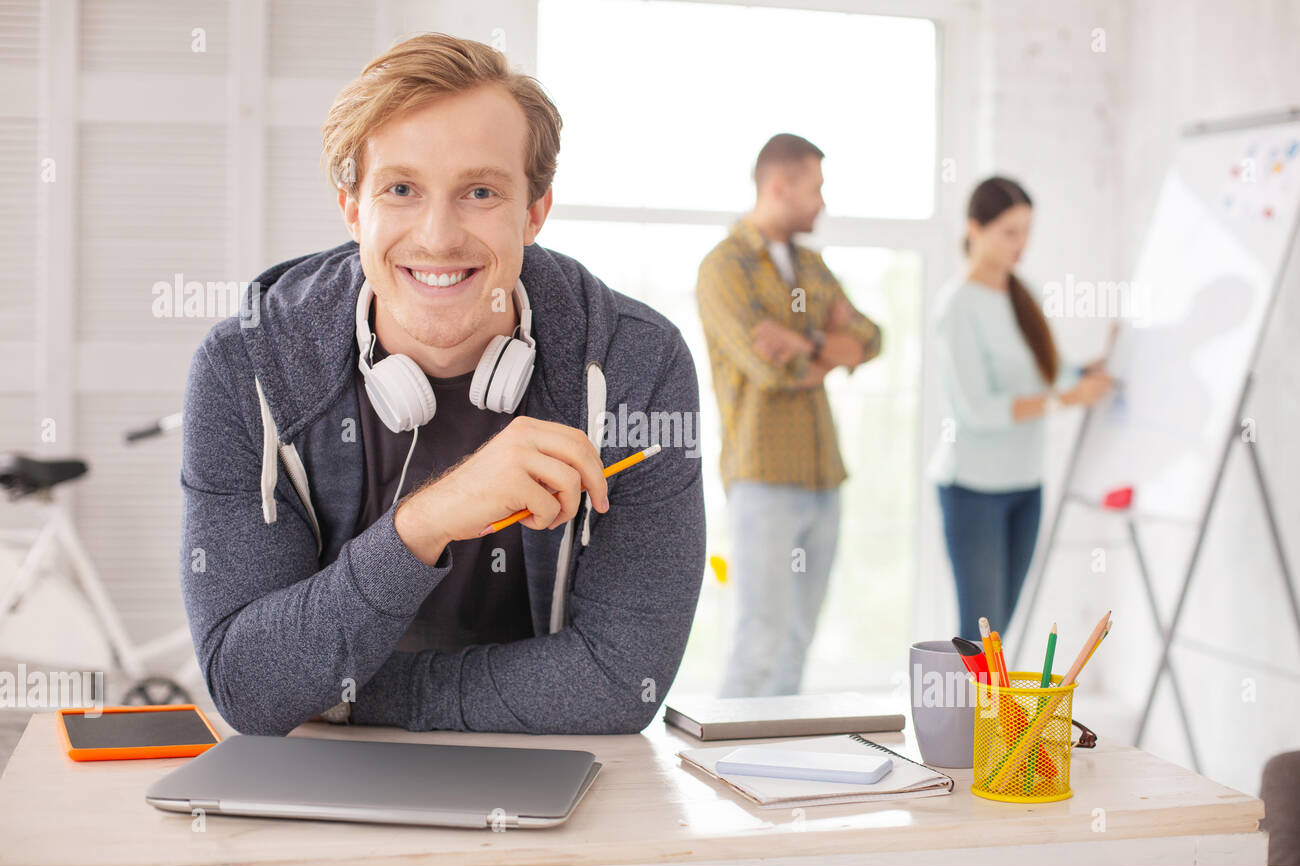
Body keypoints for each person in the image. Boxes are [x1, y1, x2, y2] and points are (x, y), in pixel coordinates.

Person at [178, 33, 705, 736]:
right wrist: (427, 521)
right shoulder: (246, 366)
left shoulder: (637, 366)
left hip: (548, 783)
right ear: (352, 208)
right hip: (322, 785)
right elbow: (247, 684)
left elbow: (618, 683)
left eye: (480, 192)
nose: (437, 236)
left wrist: (334, 697)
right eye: (400, 189)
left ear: (534, 212)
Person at [697, 134, 882, 697]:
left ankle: (776, 764)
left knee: (799, 638)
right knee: (760, 639)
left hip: (825, 476)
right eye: (815, 188)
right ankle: (725, 768)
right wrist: (832, 343)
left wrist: (807, 341)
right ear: (779, 186)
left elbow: (872, 337)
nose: (822, 203)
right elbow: (769, 368)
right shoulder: (724, 267)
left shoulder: (811, 262)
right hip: (764, 479)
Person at [928, 176, 1112, 644]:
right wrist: (1063, 400)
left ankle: (982, 719)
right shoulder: (958, 306)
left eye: (1027, 230)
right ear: (974, 228)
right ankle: (963, 719)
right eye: (1010, 232)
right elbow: (977, 410)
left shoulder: (1019, 292)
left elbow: (1045, 372)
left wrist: (1092, 368)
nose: (1022, 244)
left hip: (1025, 484)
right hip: (973, 490)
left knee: (1000, 631)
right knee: (979, 633)